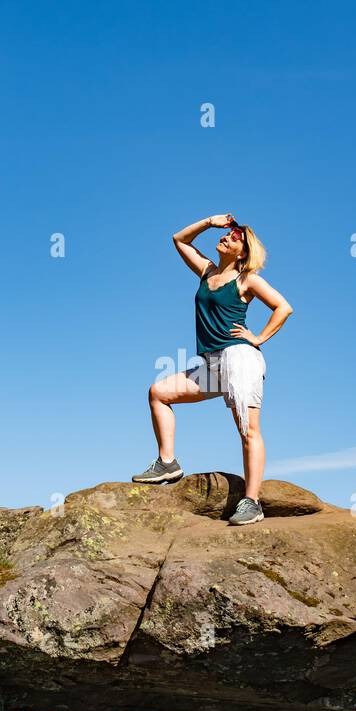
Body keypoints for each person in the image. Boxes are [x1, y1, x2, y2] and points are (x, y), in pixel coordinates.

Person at [132, 213, 293, 525]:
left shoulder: (248, 280)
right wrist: (209, 222)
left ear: (243, 252)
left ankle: (252, 501)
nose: (227, 237)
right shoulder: (207, 271)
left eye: (235, 238)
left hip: (239, 358)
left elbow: (283, 307)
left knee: (248, 430)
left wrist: (259, 337)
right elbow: (179, 239)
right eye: (228, 233)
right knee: (159, 392)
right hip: (212, 363)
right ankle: (167, 463)